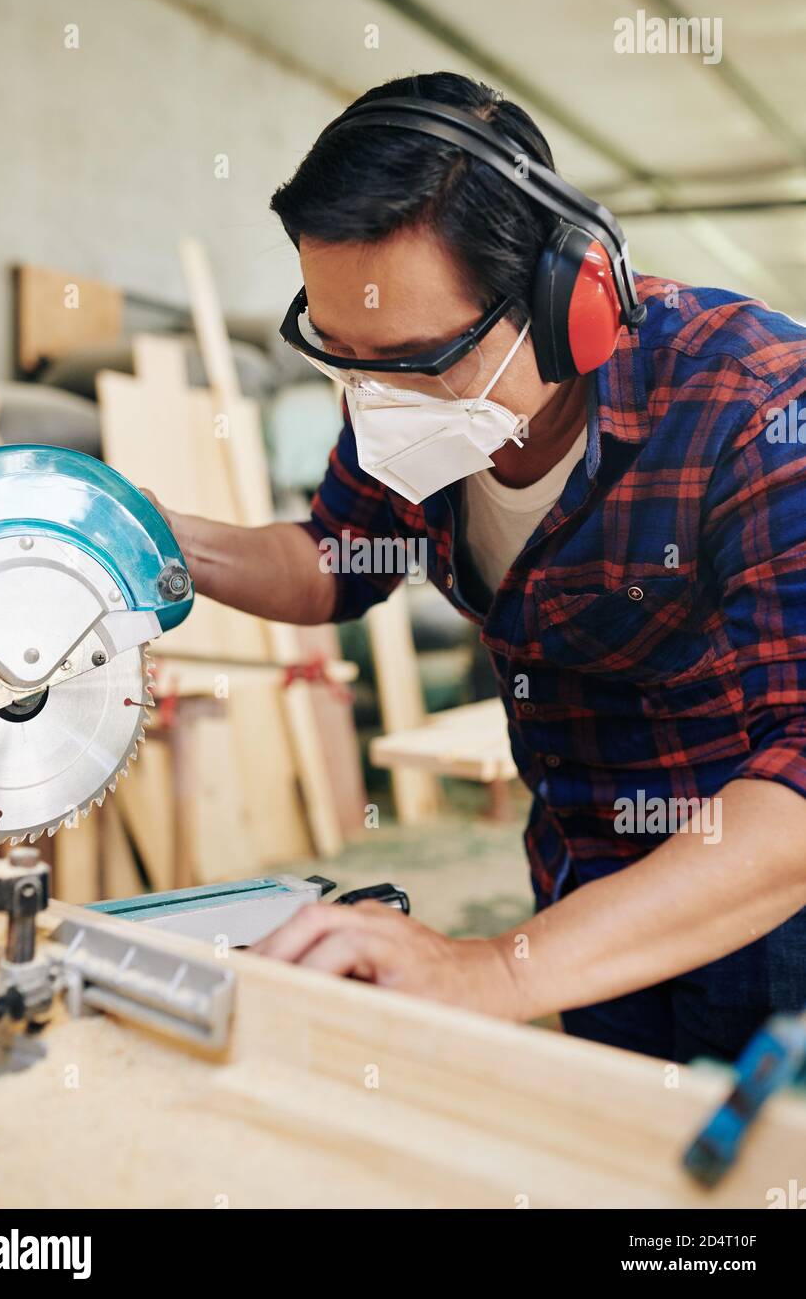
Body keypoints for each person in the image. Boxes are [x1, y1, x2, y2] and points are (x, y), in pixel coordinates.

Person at [153, 72, 806, 1063]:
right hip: (577, 873)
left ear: (565, 301)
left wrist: (496, 970)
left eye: (412, 360)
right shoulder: (396, 389)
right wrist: (153, 539)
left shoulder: (749, 406)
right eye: (342, 357)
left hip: (757, 900)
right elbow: (335, 561)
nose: (374, 397)